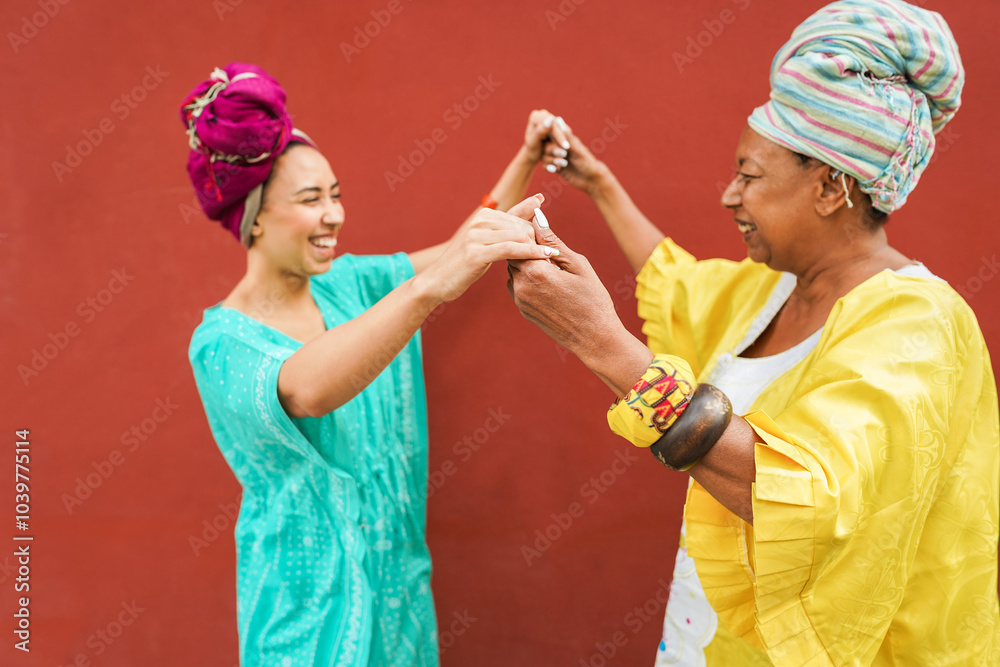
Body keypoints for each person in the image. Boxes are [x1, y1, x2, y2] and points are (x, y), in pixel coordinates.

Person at [507, 1, 1000, 664]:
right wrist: (600, 187)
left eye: (749, 174)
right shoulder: (773, 290)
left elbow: (808, 504)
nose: (729, 196)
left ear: (830, 187)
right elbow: (677, 284)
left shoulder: (917, 327)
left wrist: (600, 341)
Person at [182, 63, 562, 666]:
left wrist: (525, 160)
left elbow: (464, 242)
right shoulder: (221, 345)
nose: (334, 215)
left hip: (397, 596)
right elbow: (306, 390)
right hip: (306, 622)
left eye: (336, 195)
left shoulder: (350, 286)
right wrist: (428, 289)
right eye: (311, 200)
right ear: (251, 215)